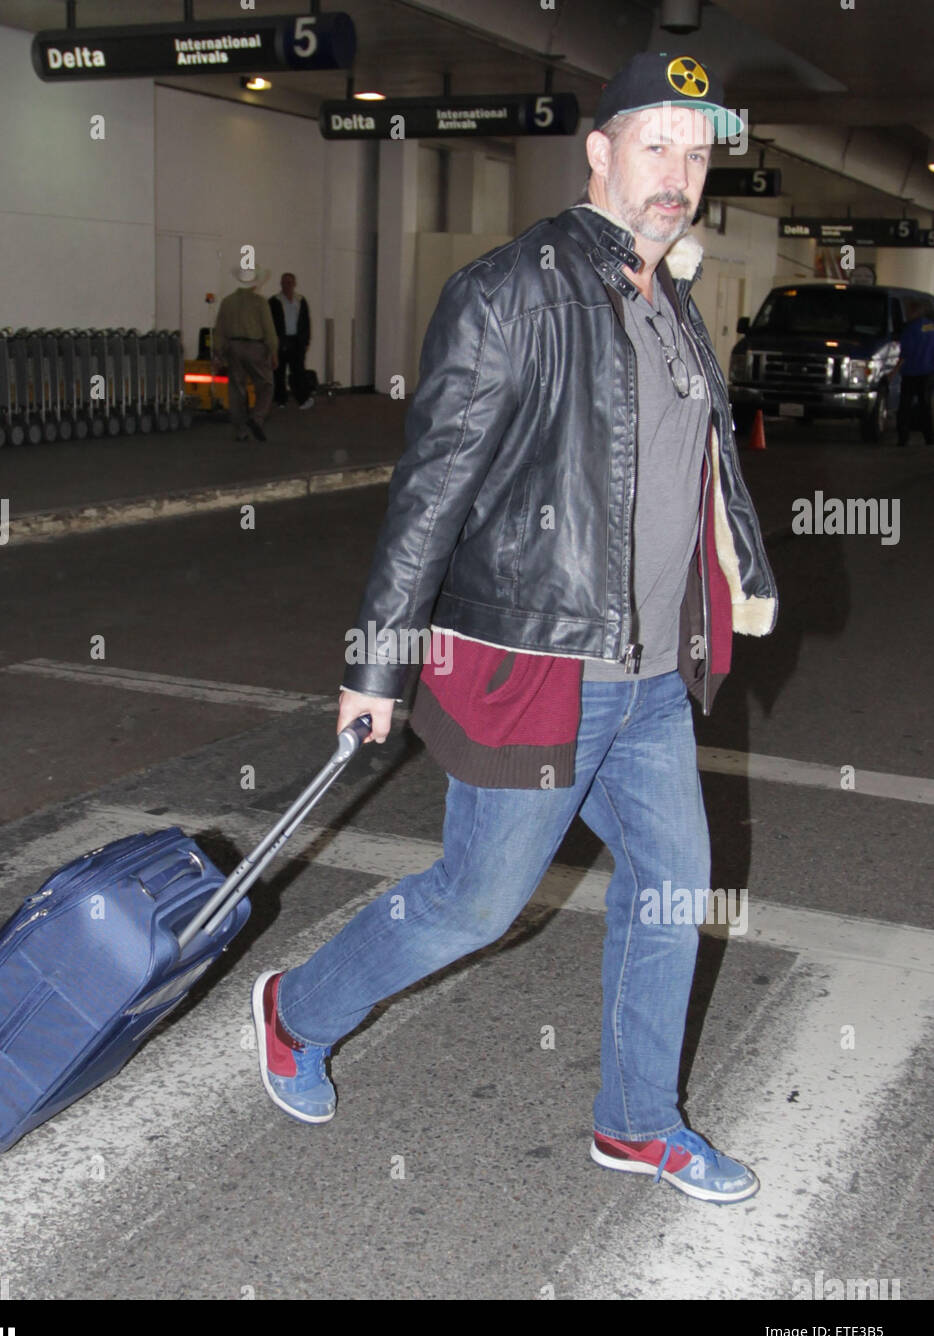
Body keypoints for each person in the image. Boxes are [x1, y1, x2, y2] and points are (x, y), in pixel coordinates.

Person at [251, 52, 778, 1204]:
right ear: (597, 151)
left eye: (695, 156)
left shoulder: (670, 301)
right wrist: (378, 663)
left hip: (646, 681)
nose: (678, 175)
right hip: (541, 667)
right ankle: (295, 1010)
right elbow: (429, 490)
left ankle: (637, 1122)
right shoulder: (509, 292)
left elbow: (693, 481)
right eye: (656, 146)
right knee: (475, 903)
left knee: (671, 886)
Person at [212, 265, 278, 442]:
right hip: (255, 348)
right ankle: (256, 418)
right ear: (256, 283)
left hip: (233, 347)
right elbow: (269, 330)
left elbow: (219, 329)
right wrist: (273, 351)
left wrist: (218, 353)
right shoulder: (260, 302)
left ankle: (240, 430)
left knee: (236, 390)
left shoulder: (227, 302)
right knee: (266, 385)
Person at [269, 273, 313, 410]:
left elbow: (306, 322)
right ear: (281, 284)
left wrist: (306, 342)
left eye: (289, 282)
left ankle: (302, 400)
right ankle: (280, 399)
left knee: (298, 371)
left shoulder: (301, 300)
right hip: (280, 340)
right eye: (284, 282)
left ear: (294, 284)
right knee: (279, 372)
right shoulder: (274, 301)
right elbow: (269, 323)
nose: (287, 285)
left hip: (297, 341)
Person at [894, 298, 934, 445]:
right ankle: (929, 437)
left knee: (905, 406)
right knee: (925, 406)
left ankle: (903, 438)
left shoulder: (910, 329)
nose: (907, 313)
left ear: (915, 311)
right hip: (928, 372)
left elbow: (905, 352)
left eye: (909, 310)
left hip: (911, 373)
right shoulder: (931, 327)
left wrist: (893, 372)